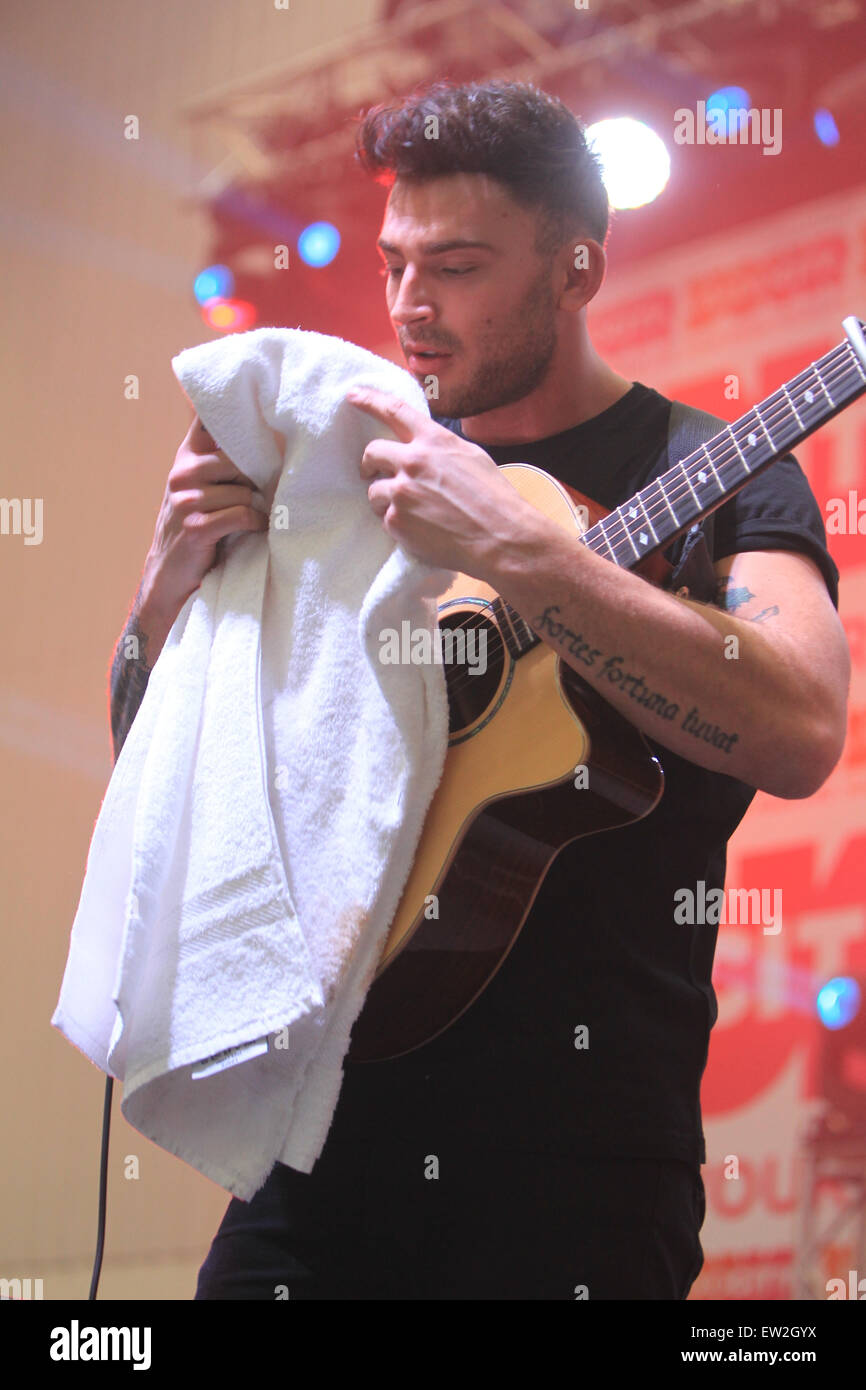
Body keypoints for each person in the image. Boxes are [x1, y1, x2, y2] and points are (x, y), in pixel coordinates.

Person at [109, 80, 848, 1299]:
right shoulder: (350, 479)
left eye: (453, 267)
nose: (408, 307)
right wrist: (161, 597)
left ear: (576, 269)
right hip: (309, 1155)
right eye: (397, 263)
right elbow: (166, 770)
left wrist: (522, 555)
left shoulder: (714, 474)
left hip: (580, 1179)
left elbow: (797, 726)